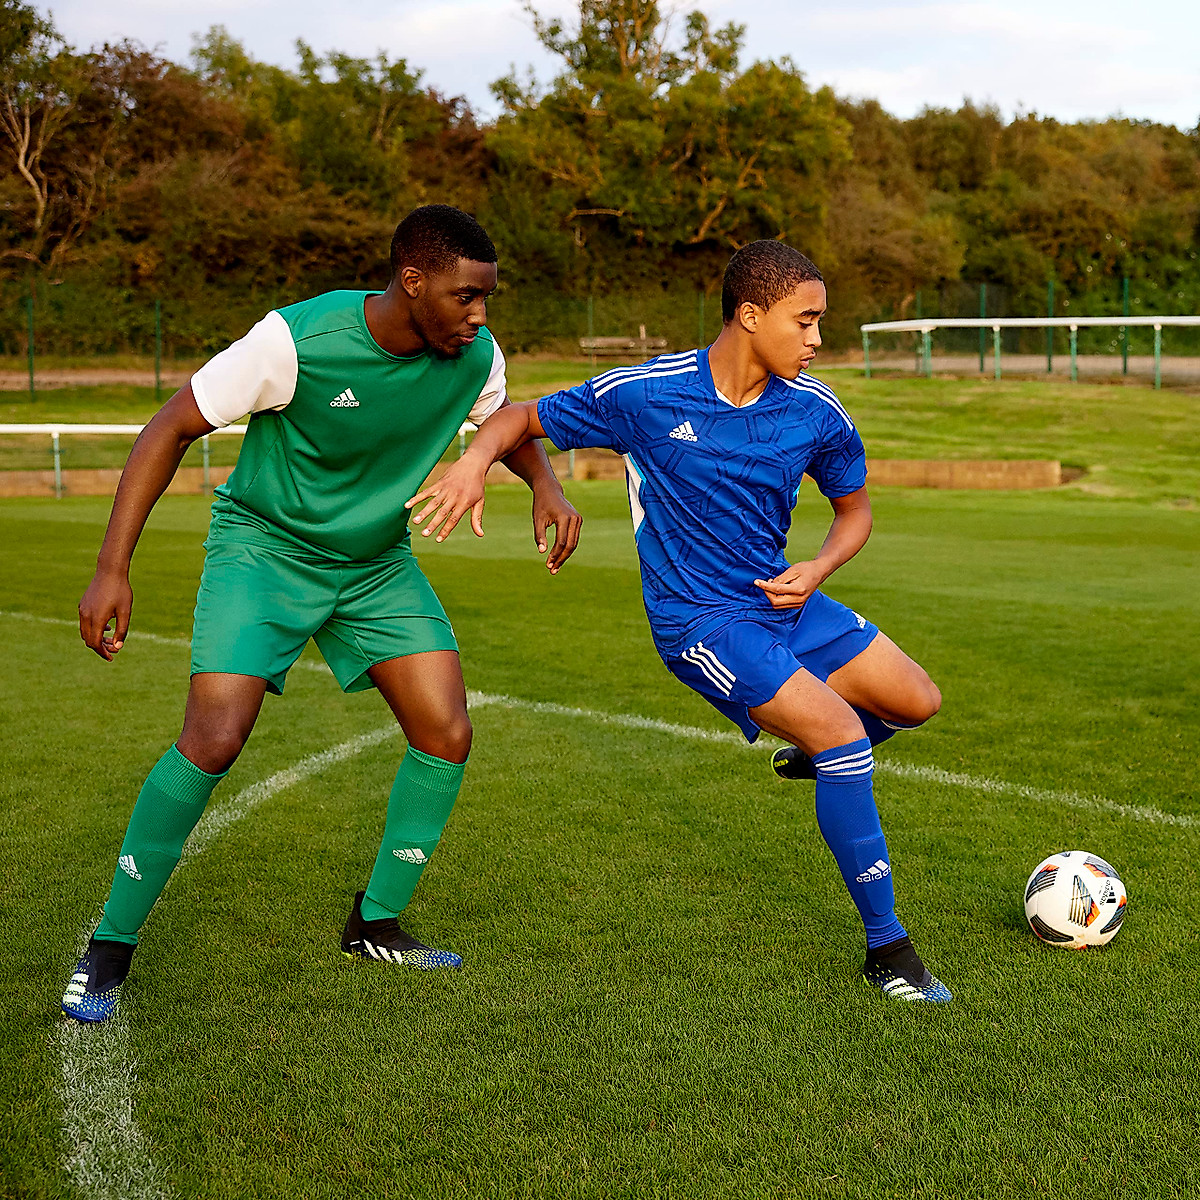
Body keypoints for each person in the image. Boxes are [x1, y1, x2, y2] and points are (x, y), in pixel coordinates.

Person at [63, 204, 582, 1023]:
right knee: (214, 738)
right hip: (265, 553)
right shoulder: (293, 341)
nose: (480, 315)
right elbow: (170, 427)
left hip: (375, 565)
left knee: (446, 730)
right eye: (464, 296)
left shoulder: (475, 352)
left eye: (487, 299)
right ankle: (110, 945)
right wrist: (110, 569)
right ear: (412, 283)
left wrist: (546, 486)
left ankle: (374, 923)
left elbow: (503, 422)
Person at [407, 240, 950, 1003]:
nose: (818, 339)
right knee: (843, 735)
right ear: (751, 314)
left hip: (781, 602)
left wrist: (820, 567)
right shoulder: (648, 393)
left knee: (918, 701)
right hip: (699, 620)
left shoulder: (815, 409)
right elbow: (520, 417)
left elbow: (854, 510)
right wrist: (479, 467)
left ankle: (815, 755)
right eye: (807, 321)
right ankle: (889, 951)